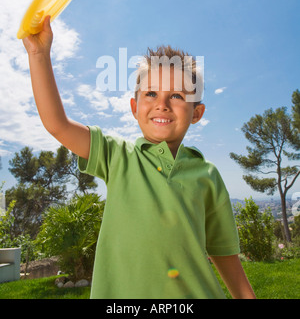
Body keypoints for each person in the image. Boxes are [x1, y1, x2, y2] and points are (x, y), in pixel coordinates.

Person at [22, 16, 256, 299]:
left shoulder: (207, 175)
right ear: (134, 107)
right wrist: (38, 54)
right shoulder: (116, 155)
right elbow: (56, 124)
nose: (162, 104)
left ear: (197, 113)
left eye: (177, 96)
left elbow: (225, 254)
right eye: (152, 93)